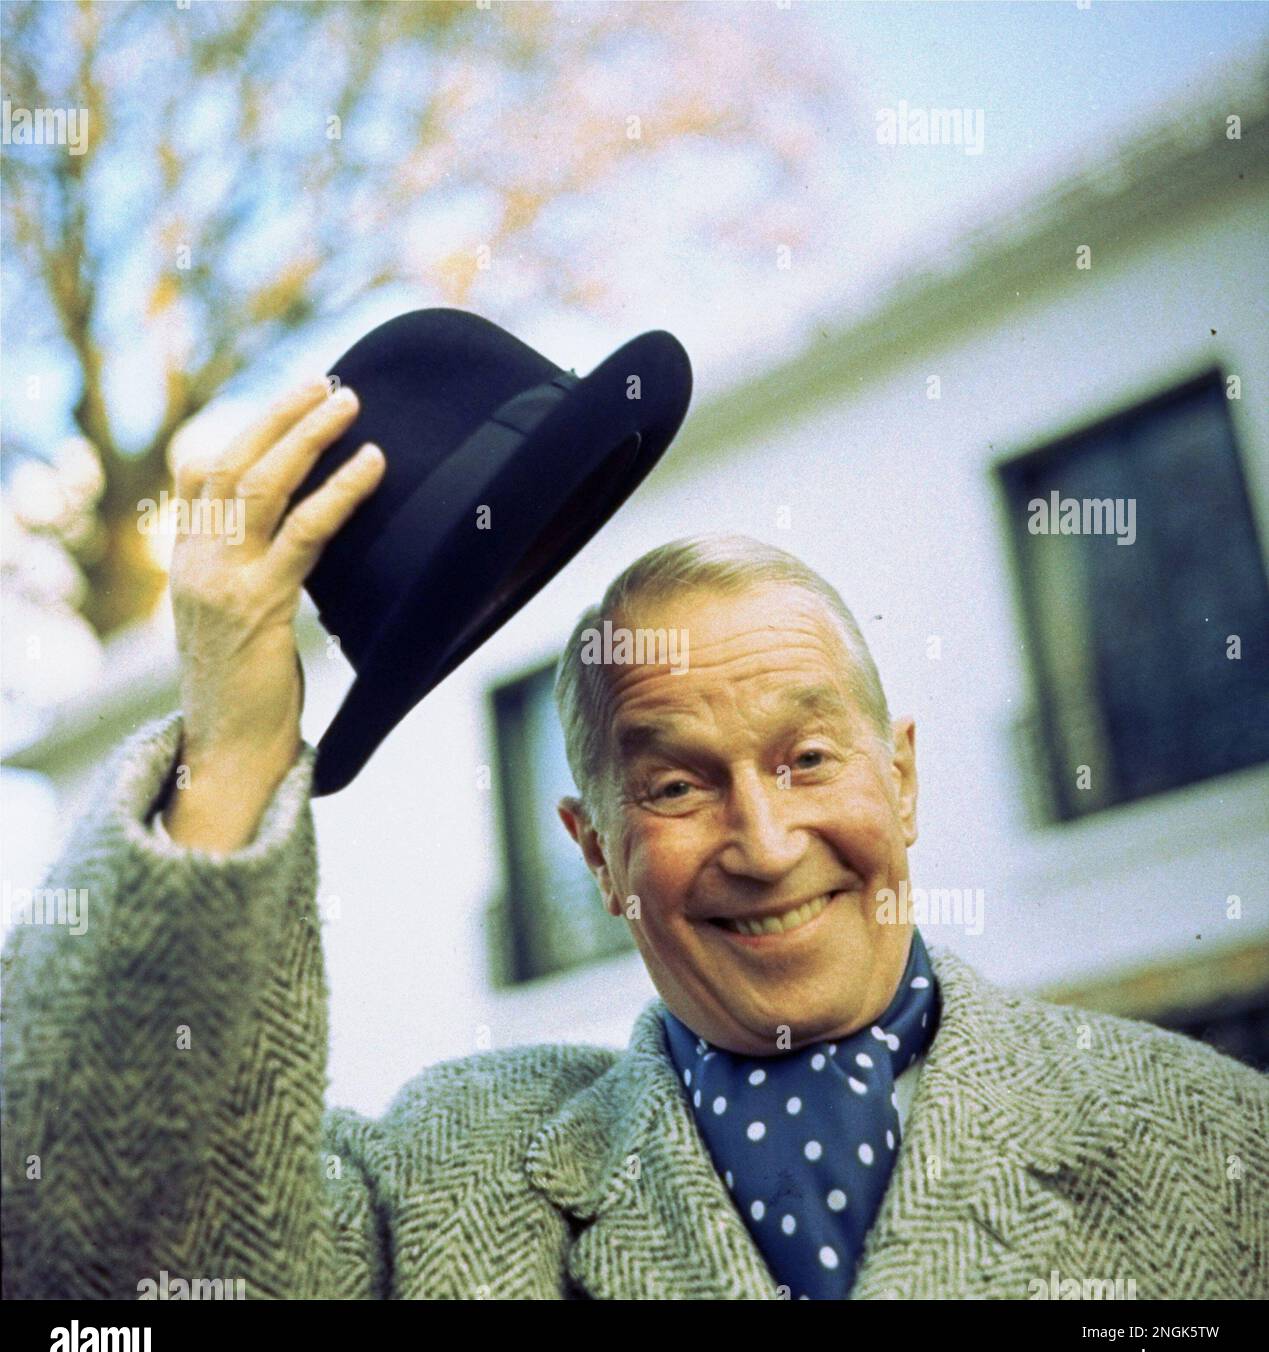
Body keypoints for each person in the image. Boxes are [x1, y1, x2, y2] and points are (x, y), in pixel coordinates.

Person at [3, 381, 1265, 1300]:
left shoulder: (1216, 1147)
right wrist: (231, 745)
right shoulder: (438, 1187)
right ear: (595, 854)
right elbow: (111, 1275)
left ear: (907, 778)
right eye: (675, 787)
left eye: (808, 759)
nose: (766, 843)